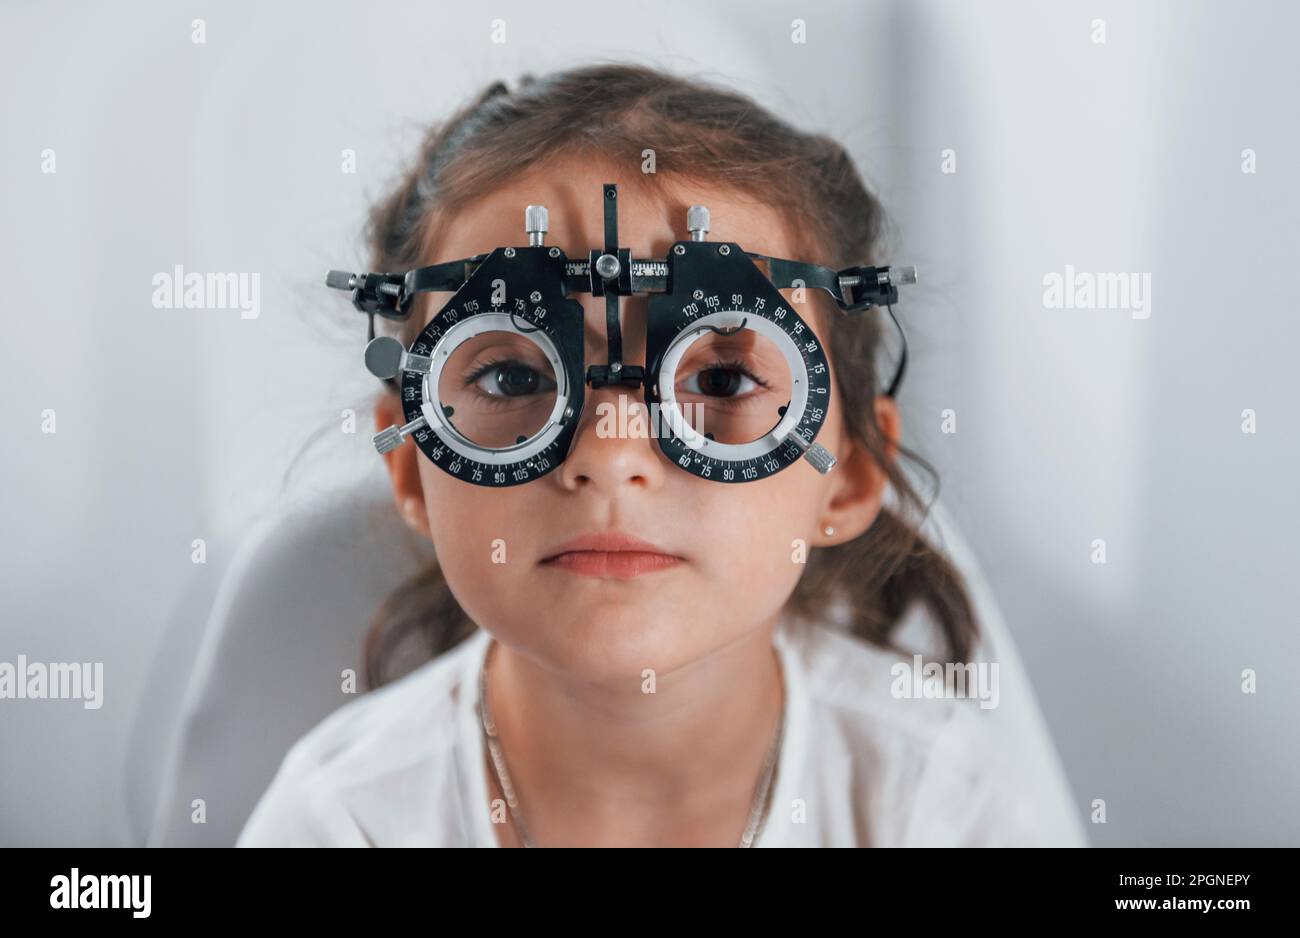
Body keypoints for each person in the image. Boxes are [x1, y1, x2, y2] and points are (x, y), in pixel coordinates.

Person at [236, 62, 1086, 848]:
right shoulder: (341, 823)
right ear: (413, 466)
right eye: (510, 375)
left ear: (849, 478)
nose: (609, 455)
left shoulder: (941, 806)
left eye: (719, 382)